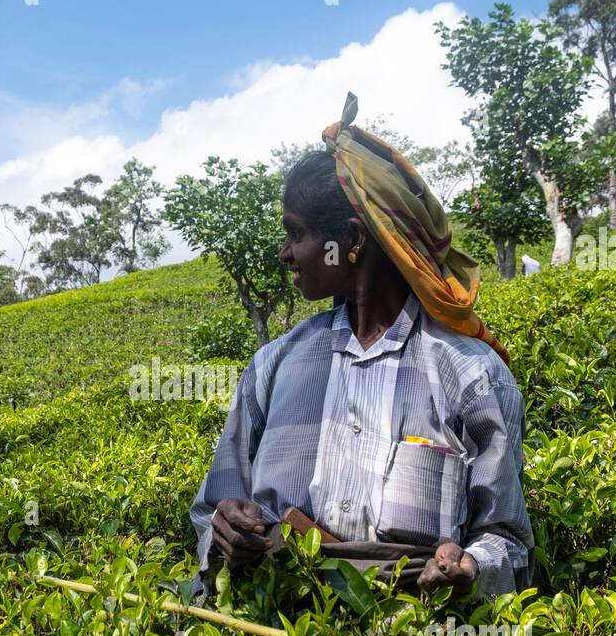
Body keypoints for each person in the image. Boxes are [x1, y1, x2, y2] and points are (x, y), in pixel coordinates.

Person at [189, 93, 533, 603]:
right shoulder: (273, 367)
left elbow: (510, 542)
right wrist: (224, 532)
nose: (285, 253)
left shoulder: (469, 373)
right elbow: (213, 508)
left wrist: (472, 568)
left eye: (296, 233)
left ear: (350, 240)